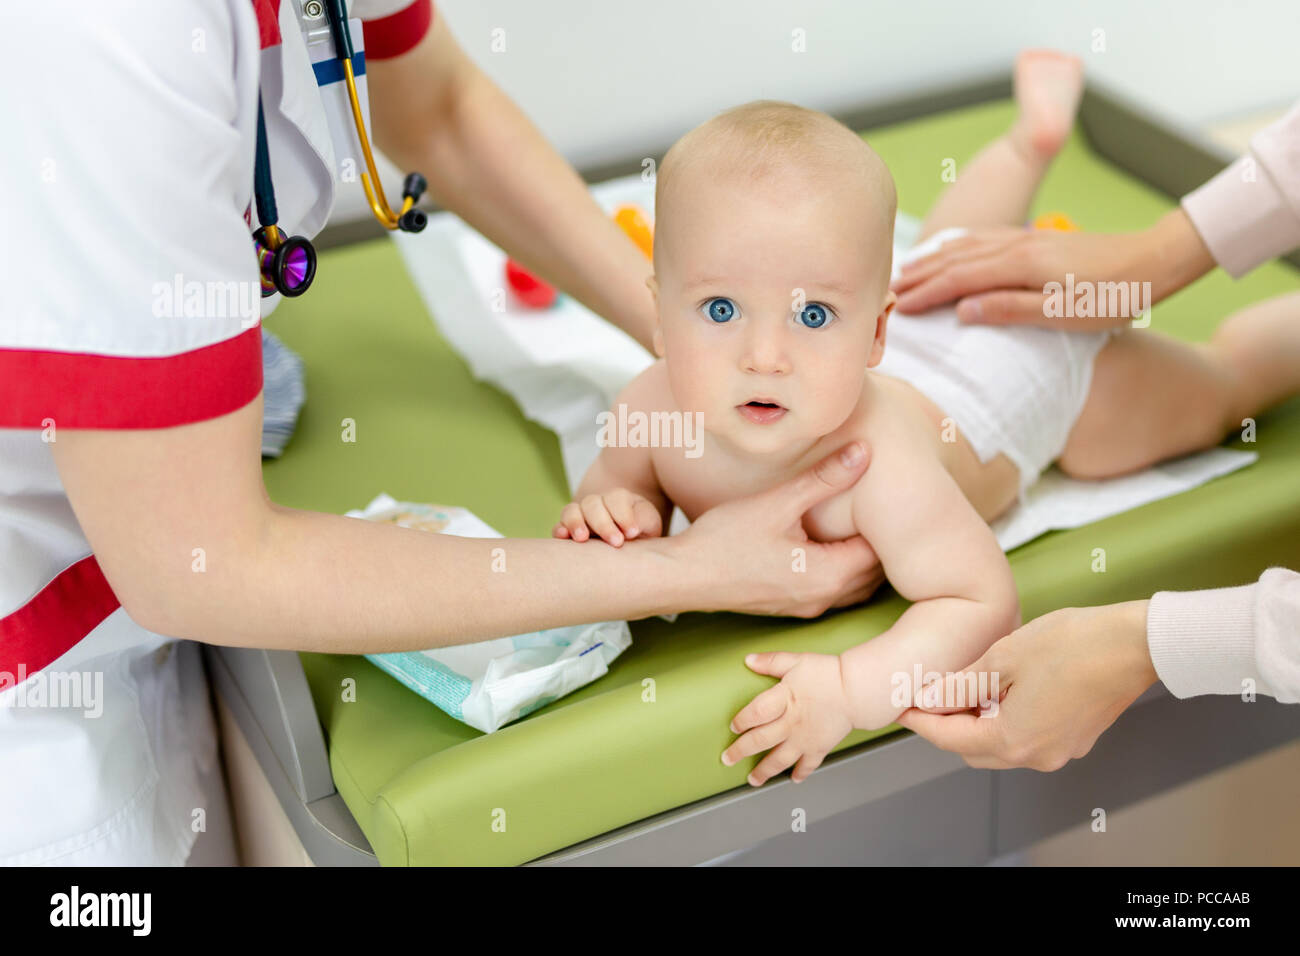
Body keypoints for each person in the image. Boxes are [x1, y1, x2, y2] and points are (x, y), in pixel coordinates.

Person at [0, 1, 881, 865]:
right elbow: (197, 564)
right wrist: (684, 570)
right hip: (37, 700)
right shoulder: (101, 33)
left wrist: (705, 339)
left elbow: (442, 112)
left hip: (134, 578)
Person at [548, 52, 1300, 786]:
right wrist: (615, 511)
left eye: (813, 314)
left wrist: (851, 688)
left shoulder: (877, 461)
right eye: (720, 309)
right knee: (946, 254)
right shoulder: (650, 405)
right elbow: (618, 483)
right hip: (931, 312)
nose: (765, 356)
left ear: (875, 333)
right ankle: (1026, 142)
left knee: (1218, 388)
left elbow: (975, 598)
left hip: (1033, 370)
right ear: (656, 315)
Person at [889, 96, 1300, 770]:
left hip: (967, 310)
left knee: (1228, 375)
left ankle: (1030, 140)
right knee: (1224, 376)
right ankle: (1030, 142)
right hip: (963, 298)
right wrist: (1156, 255)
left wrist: (1142, 642)